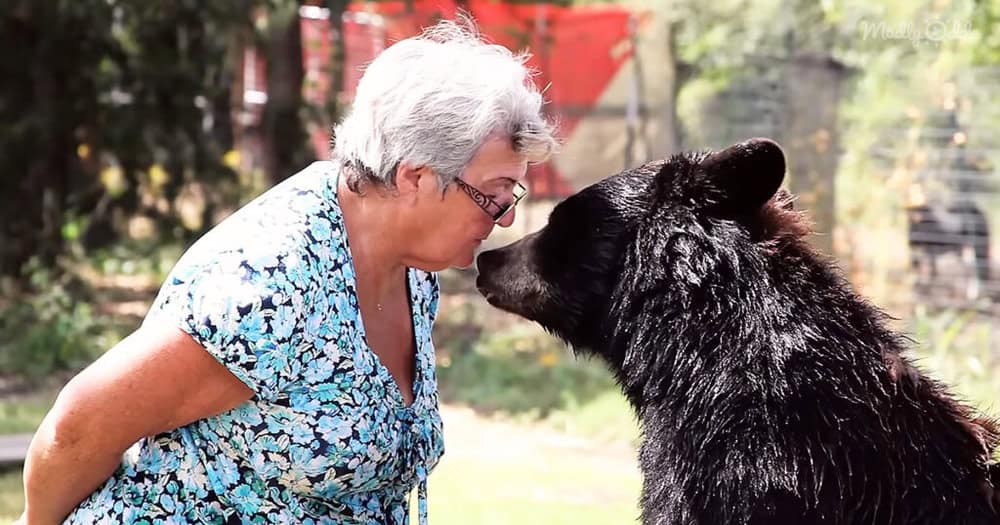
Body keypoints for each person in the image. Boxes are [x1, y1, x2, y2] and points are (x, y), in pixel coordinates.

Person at [18, 18, 556, 524]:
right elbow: (77, 429)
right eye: (491, 195)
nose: (505, 217)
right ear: (415, 177)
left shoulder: (411, 265)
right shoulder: (266, 287)